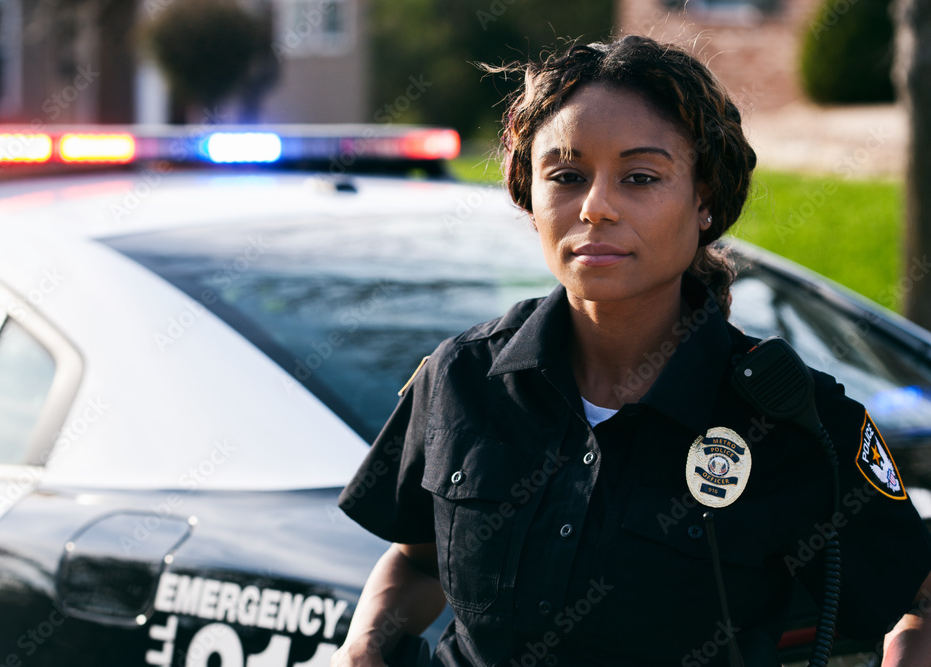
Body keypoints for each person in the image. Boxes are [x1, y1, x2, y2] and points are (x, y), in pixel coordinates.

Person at [331, 34, 931, 666]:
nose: (596, 207)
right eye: (565, 176)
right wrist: (362, 649)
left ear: (703, 200)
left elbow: (920, 599)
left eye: (640, 177)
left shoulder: (790, 420)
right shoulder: (462, 378)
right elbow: (415, 560)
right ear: (528, 195)